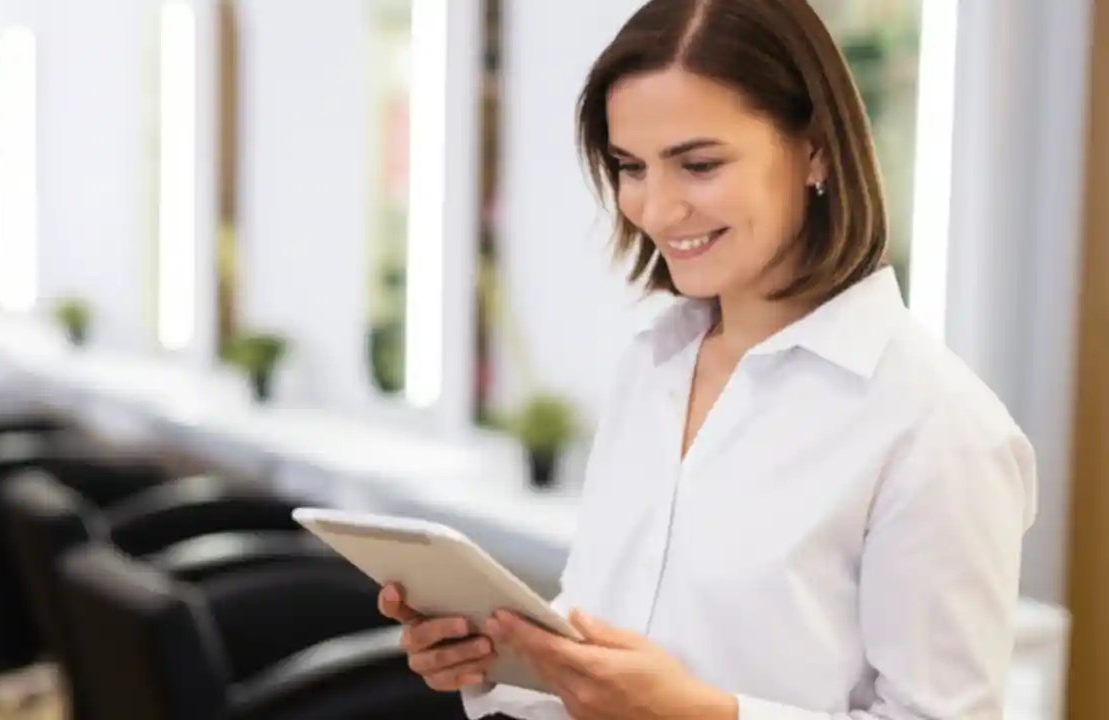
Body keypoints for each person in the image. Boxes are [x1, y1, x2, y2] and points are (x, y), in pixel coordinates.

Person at [379, 0, 1037, 717]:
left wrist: (704, 714)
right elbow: (612, 631)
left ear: (815, 148)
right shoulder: (652, 368)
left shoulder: (938, 427)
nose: (658, 210)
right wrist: (496, 655)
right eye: (631, 167)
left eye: (697, 164)